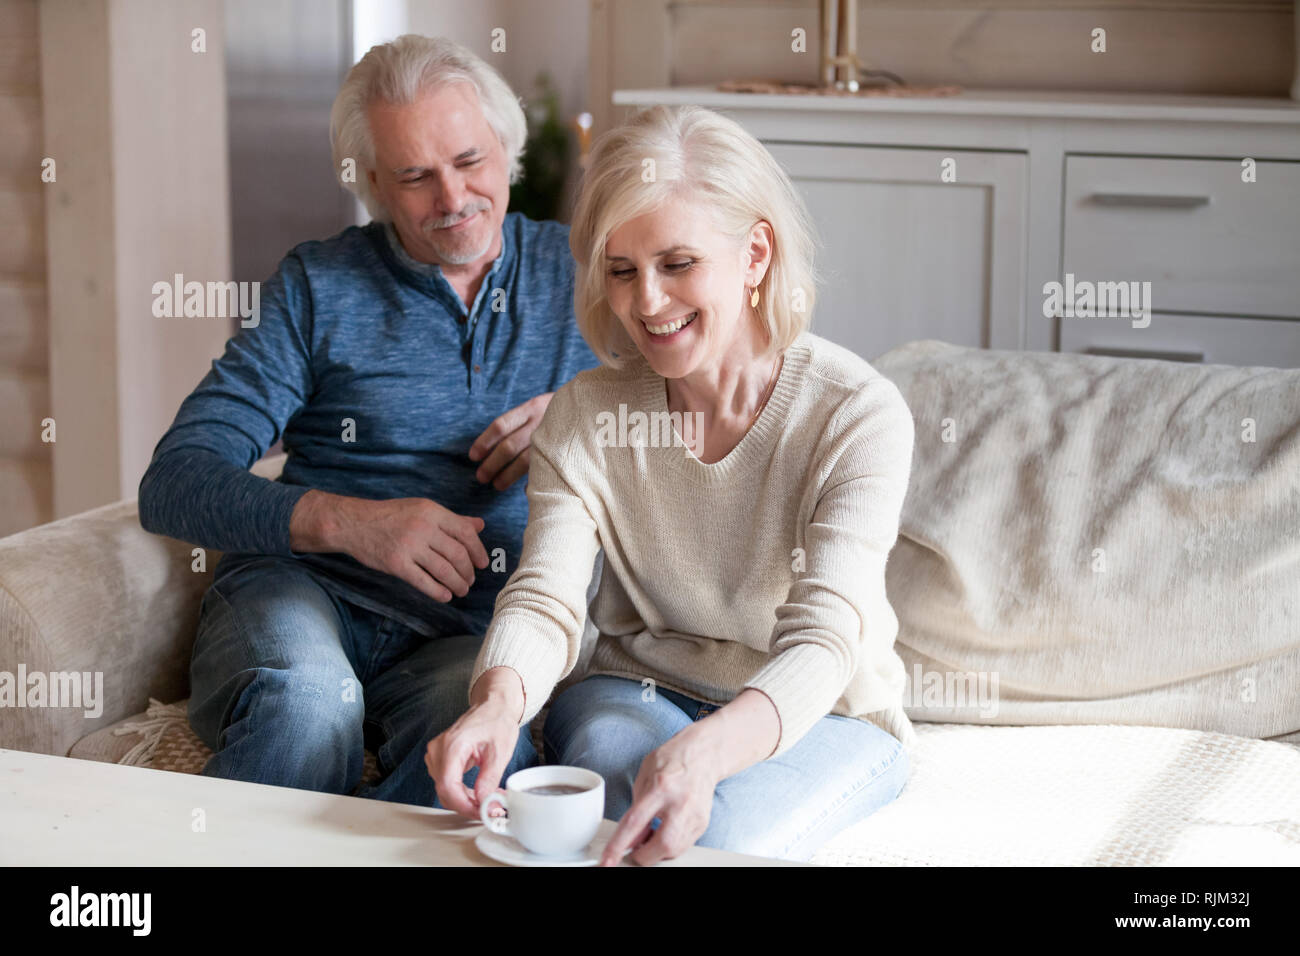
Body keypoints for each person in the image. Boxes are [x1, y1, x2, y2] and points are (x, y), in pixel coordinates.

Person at [425, 104, 918, 864]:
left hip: (826, 712)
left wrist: (707, 753)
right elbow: (545, 595)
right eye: (621, 271)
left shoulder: (855, 415)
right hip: (634, 690)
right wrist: (498, 704)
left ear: (755, 256)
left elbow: (825, 641)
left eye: (678, 264)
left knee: (712, 842)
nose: (646, 303)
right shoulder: (585, 415)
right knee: (612, 819)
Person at [137, 35, 601, 806]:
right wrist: (350, 523)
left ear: (507, 149)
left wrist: (586, 415)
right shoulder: (318, 284)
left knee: (482, 744)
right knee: (310, 706)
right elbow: (175, 480)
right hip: (302, 597)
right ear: (374, 183)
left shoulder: (588, 278)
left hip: (469, 635)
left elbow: (704, 425)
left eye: (470, 161)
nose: (452, 200)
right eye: (415, 176)